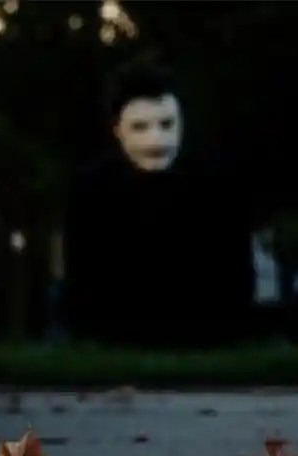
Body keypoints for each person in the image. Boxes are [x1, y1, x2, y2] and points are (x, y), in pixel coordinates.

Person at [60, 61, 258, 347]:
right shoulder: (90, 190)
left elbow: (236, 276)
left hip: (205, 334)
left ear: (182, 122)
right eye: (139, 127)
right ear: (118, 129)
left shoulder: (216, 185)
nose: (156, 140)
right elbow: (81, 280)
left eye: (166, 124)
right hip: (114, 335)